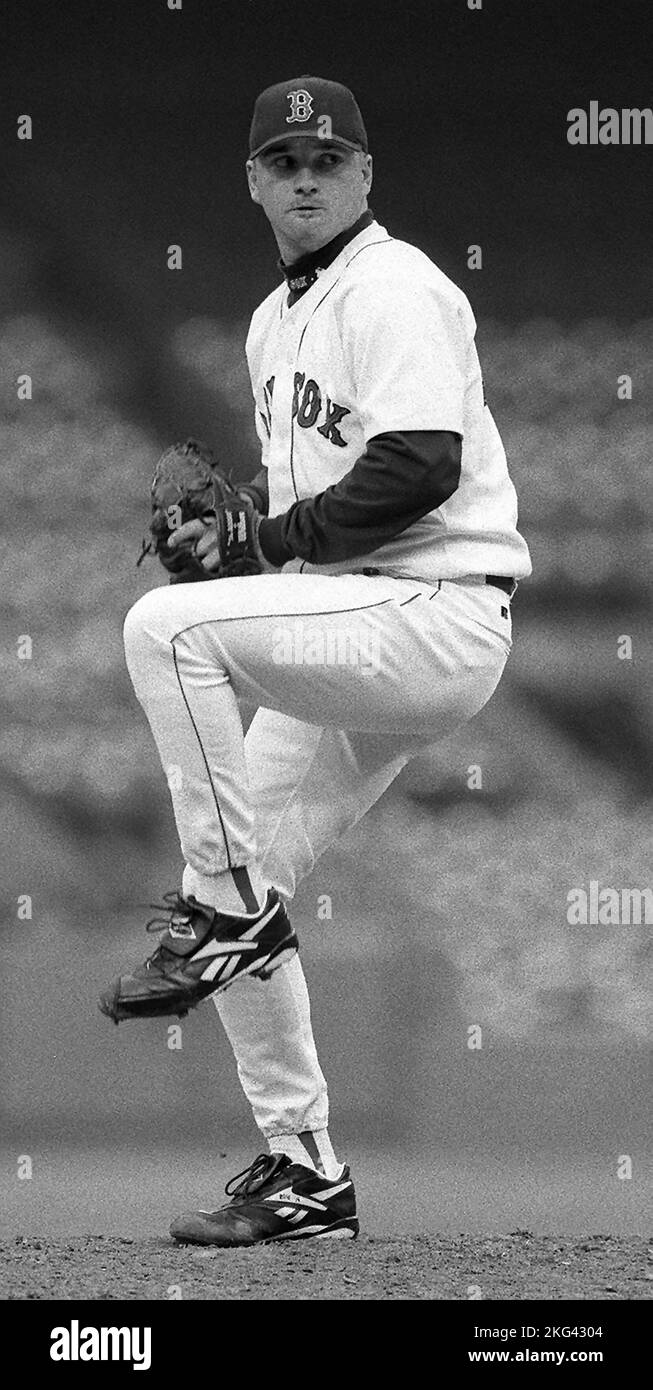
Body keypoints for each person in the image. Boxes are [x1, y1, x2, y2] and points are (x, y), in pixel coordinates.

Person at [100, 75, 531, 1246]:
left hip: (434, 613)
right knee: (256, 877)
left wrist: (262, 543)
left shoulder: (393, 286)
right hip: (354, 615)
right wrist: (236, 534)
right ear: (251, 178)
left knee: (159, 634)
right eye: (283, 159)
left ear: (363, 176)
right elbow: (308, 515)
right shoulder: (269, 320)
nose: (304, 175)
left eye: (326, 159)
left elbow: (418, 469)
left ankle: (218, 906)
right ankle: (305, 1175)